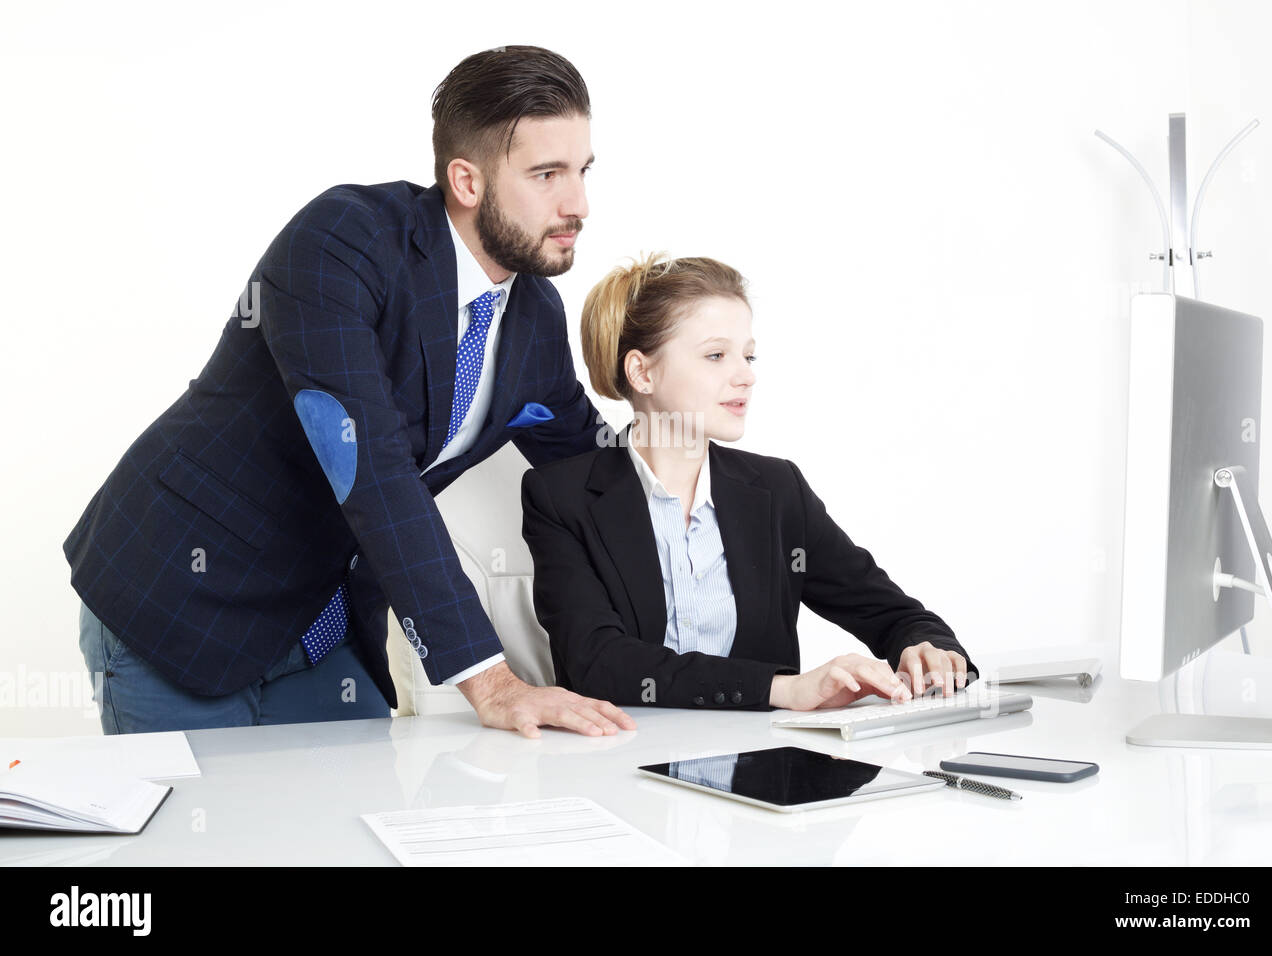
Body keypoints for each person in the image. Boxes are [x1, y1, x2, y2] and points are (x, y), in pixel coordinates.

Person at [64, 45, 635, 739]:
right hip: (181, 607)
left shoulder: (533, 315)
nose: (578, 203)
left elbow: (589, 464)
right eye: (548, 174)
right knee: (209, 846)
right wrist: (489, 681)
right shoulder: (344, 241)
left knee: (353, 835)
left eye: (582, 171)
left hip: (321, 635)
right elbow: (369, 465)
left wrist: (689, 438)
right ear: (467, 180)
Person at [520, 254, 978, 710]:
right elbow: (597, 663)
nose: (746, 375)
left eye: (748, 355)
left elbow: (887, 611)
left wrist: (926, 647)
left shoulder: (777, 490)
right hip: (619, 762)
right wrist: (782, 689)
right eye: (716, 355)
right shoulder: (560, 498)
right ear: (642, 372)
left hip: (761, 765)